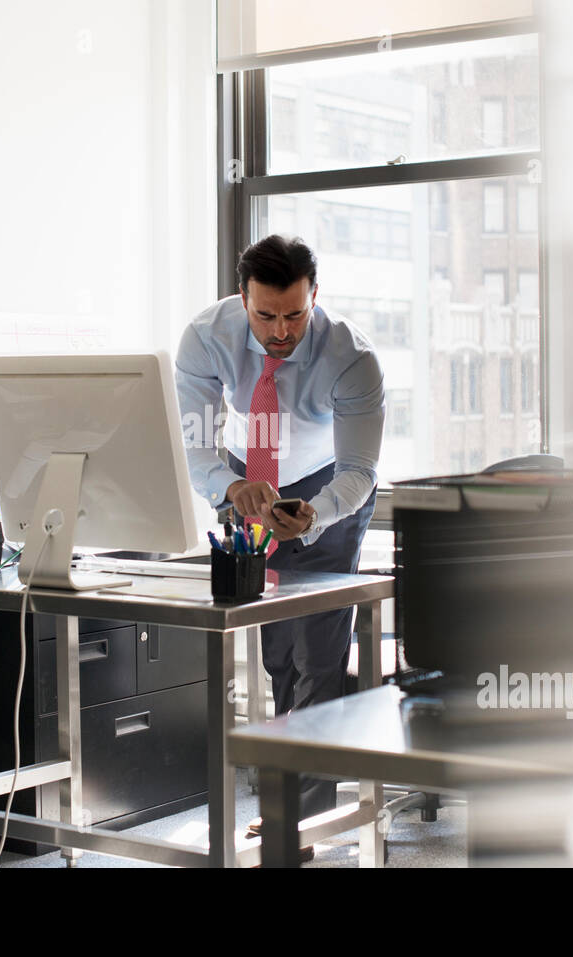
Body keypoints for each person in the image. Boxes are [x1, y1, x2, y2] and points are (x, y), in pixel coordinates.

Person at [174, 234, 385, 851]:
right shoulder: (205, 337)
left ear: (314, 296)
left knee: (316, 652)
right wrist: (231, 487)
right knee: (275, 650)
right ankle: (287, 793)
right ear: (243, 299)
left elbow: (360, 472)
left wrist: (314, 515)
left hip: (327, 487)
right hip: (248, 477)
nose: (281, 330)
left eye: (295, 313)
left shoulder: (351, 356)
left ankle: (299, 816)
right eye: (265, 315)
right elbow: (196, 447)